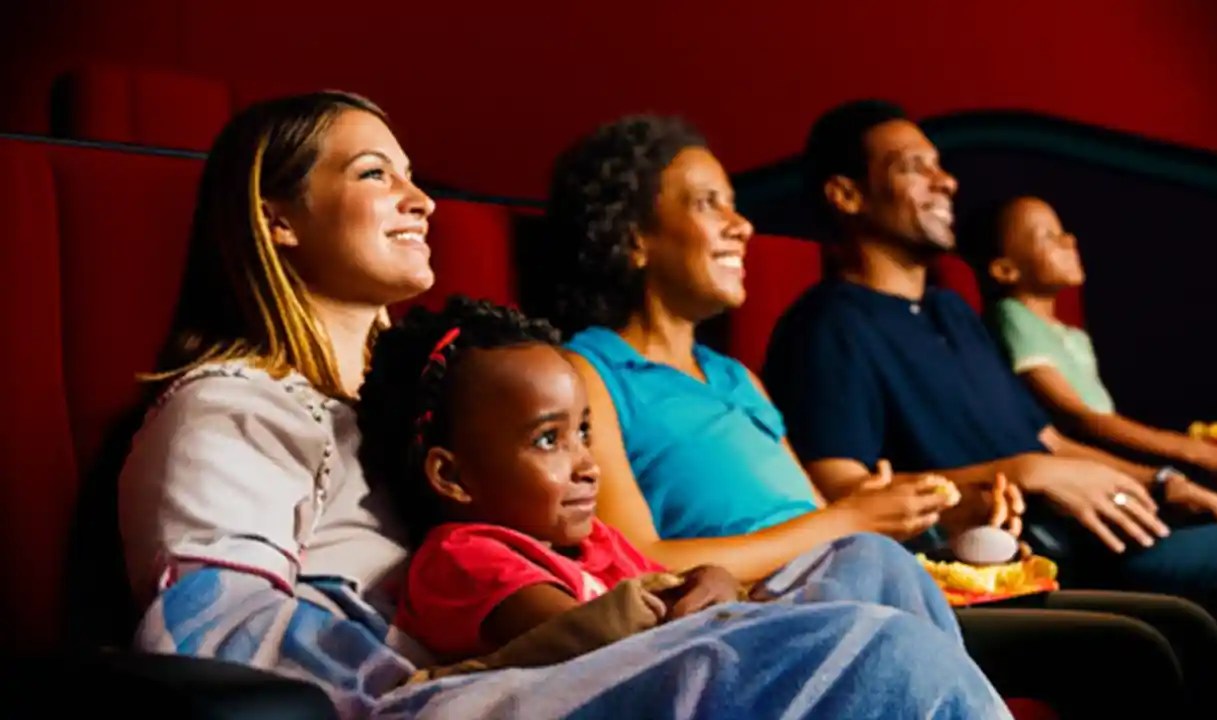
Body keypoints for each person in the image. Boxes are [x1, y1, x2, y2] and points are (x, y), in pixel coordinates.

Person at [114, 91, 1016, 719]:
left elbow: (575, 559)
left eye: (412, 175)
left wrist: (678, 595)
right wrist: (459, 667)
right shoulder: (230, 409)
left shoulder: (406, 400)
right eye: (372, 175)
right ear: (277, 218)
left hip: (548, 651)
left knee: (867, 567)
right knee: (878, 652)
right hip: (440, 694)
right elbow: (217, 640)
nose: (420, 199)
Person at [536, 114, 1217, 718]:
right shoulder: (590, 372)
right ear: (633, 238)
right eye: (708, 203)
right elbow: (633, 566)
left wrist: (928, 511)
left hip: (847, 575)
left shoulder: (733, 375)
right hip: (768, 614)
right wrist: (850, 521)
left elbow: (811, 514)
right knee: (1132, 653)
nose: (741, 223)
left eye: (735, 203)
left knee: (1183, 630)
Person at [761, 98, 1217, 715]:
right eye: (912, 167)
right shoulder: (828, 325)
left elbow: (1049, 442)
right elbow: (839, 485)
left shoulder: (953, 310)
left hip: (1109, 526)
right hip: (1030, 555)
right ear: (846, 195)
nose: (945, 180)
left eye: (940, 165)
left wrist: (1164, 479)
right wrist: (1023, 473)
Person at [357, 297, 740, 662]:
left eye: (583, 433)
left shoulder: (599, 542)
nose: (587, 466)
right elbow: (598, 642)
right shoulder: (461, 559)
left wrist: (712, 580)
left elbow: (674, 593)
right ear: (451, 476)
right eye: (548, 440)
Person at [980, 194, 1217, 514]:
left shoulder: (1074, 336)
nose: (1068, 240)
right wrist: (1195, 452)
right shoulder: (1012, 315)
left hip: (1122, 455)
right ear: (1005, 269)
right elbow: (1080, 418)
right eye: (1048, 236)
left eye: (1063, 231)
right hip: (1088, 464)